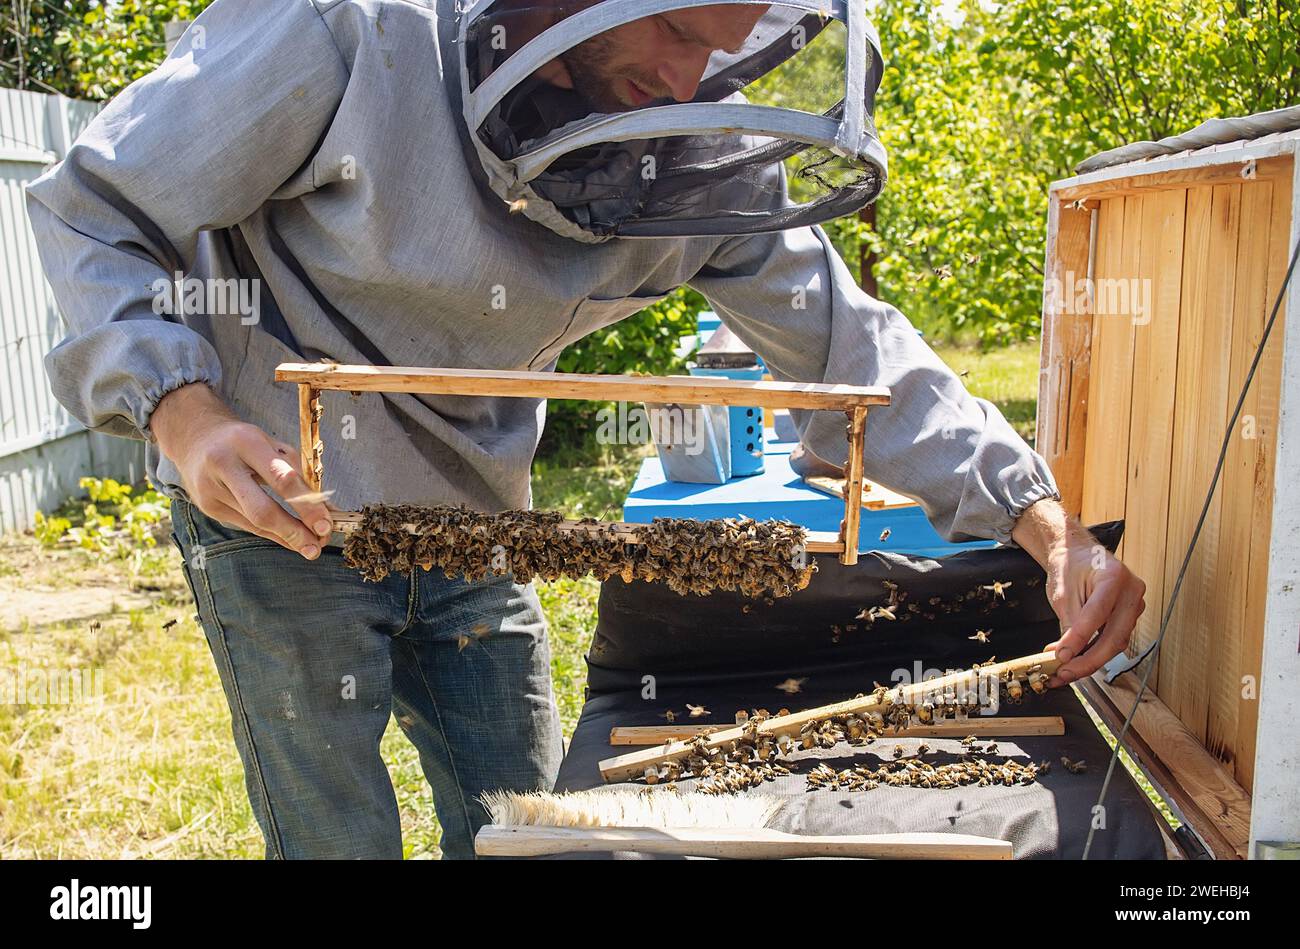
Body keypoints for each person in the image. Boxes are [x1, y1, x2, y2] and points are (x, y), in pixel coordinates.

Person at [26, 0, 1145, 859]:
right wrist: (183, 413)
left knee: (533, 823)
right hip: (282, 512)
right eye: (666, 31)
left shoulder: (689, 142)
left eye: (715, 47)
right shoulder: (348, 32)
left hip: (479, 523)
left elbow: (853, 347)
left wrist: (1036, 517)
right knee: (336, 834)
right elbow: (94, 206)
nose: (687, 76)